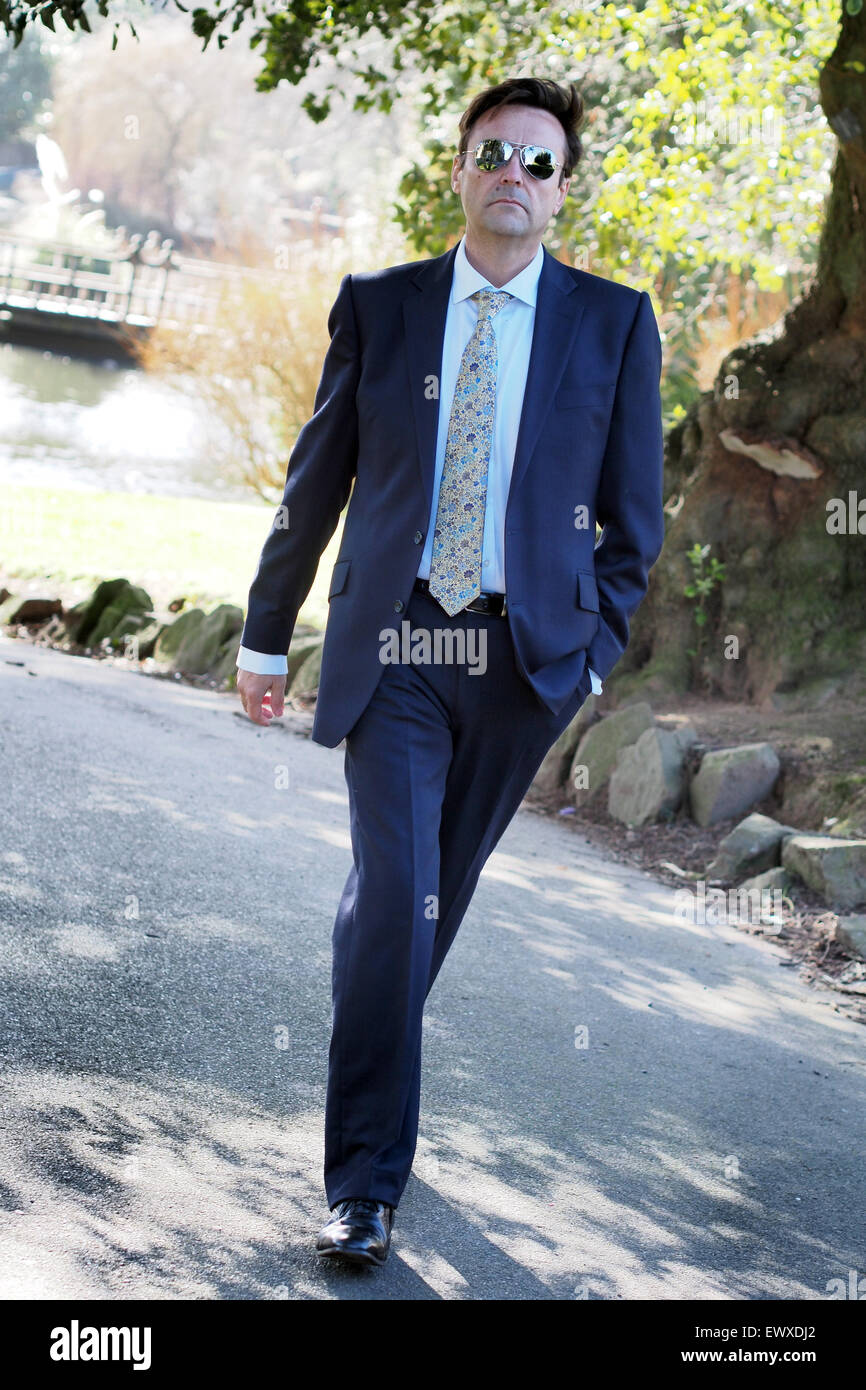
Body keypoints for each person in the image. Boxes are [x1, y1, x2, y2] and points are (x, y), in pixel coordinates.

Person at [236, 76, 665, 1268]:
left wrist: (587, 660)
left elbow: (634, 521)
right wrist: (266, 631)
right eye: (493, 154)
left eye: (536, 163)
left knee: (427, 896)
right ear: (460, 168)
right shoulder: (382, 307)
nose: (511, 177)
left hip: (524, 662)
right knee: (395, 892)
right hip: (402, 644)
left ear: (559, 189)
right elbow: (315, 480)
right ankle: (364, 1183)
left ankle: (370, 1032)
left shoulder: (613, 322)